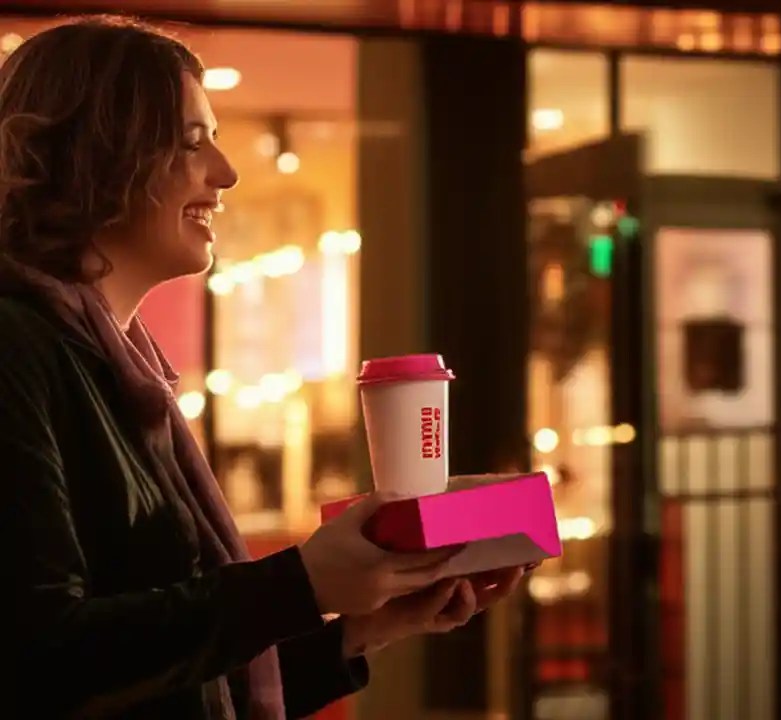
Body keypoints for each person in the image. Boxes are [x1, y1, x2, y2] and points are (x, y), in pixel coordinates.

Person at [0, 15, 524, 719]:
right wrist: (302, 584)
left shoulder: (125, 373)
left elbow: (188, 688)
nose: (225, 173)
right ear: (98, 152)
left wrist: (362, 631)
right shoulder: (16, 349)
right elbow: (40, 661)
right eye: (192, 142)